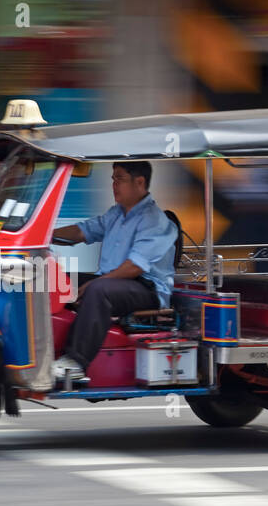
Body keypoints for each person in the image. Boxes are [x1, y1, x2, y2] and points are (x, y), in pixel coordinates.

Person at [50, 160, 177, 382]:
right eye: (113, 179)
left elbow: (134, 267)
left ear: (139, 182)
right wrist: (44, 234)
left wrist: (92, 284)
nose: (114, 184)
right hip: (116, 281)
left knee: (99, 290)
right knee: (55, 279)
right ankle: (48, 347)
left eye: (120, 178)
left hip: (146, 288)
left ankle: (75, 362)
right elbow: (83, 231)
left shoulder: (154, 220)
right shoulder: (117, 214)